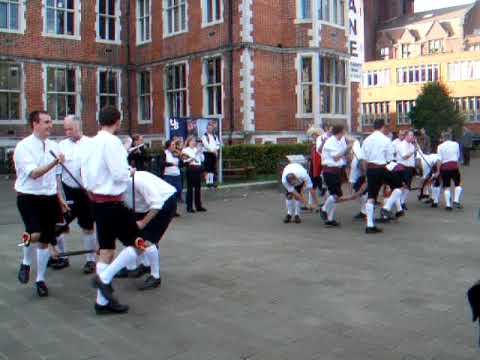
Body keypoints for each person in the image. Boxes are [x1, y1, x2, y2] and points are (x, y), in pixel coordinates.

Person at [81, 106, 143, 315]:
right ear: (117, 121)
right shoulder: (112, 142)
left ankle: (102, 303)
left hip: (96, 201)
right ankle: (104, 279)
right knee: (139, 244)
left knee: (106, 250)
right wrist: (130, 171)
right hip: (112, 202)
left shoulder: (89, 142)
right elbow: (118, 174)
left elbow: (86, 176)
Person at [14, 111, 66, 297]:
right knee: (34, 233)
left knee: (45, 240)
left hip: (49, 197)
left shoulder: (54, 145)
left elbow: (55, 176)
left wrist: (59, 198)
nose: (50, 125)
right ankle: (26, 263)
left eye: (51, 121)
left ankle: (40, 280)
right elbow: (34, 173)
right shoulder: (23, 147)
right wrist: (55, 162)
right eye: (46, 122)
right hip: (29, 196)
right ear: (35, 124)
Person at [123, 171, 177, 290]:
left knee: (148, 240)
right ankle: (145, 265)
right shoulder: (113, 185)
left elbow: (157, 204)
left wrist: (142, 223)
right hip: (143, 205)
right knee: (134, 236)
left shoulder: (139, 181)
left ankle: (155, 277)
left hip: (164, 202)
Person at [57, 115, 97, 274]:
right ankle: (62, 256)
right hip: (68, 191)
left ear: (79, 127)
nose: (67, 132)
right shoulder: (61, 145)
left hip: (85, 191)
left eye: (70, 129)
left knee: (88, 226)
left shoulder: (91, 144)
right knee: (60, 224)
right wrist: (59, 194)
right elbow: (57, 172)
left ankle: (91, 260)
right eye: (65, 129)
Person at [361, 119, 401, 234]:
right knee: (399, 186)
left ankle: (369, 225)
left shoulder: (367, 139)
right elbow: (389, 159)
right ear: (383, 127)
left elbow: (363, 158)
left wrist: (366, 173)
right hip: (382, 168)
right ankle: (387, 207)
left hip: (371, 169)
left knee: (371, 196)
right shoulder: (386, 139)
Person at [320, 125, 351, 227]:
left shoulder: (340, 140)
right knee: (336, 194)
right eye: (344, 132)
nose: (345, 134)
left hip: (337, 170)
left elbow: (342, 156)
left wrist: (346, 155)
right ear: (340, 132)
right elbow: (336, 157)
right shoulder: (330, 142)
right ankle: (324, 208)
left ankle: (330, 219)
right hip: (329, 170)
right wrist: (347, 148)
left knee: (333, 195)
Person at [436, 132, 463, 211]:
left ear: (443, 138)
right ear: (450, 137)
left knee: (446, 186)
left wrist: (438, 170)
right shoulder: (456, 144)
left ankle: (448, 205)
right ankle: (456, 200)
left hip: (445, 168)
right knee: (458, 184)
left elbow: (439, 160)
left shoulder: (440, 146)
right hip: (454, 166)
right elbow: (458, 156)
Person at [182, 136, 207, 213]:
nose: (194, 142)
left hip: (198, 168)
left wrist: (201, 152)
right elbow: (185, 160)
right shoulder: (185, 150)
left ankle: (198, 205)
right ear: (188, 142)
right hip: (191, 168)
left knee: (198, 188)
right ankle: (189, 207)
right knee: (190, 188)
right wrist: (195, 153)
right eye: (192, 141)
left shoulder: (196, 149)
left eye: (194, 141)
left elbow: (202, 159)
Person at [394, 130, 416, 212]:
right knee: (402, 186)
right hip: (402, 167)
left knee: (408, 187)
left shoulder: (412, 145)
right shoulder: (401, 145)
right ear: (406, 136)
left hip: (410, 168)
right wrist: (413, 151)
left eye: (413, 136)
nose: (412, 137)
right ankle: (398, 203)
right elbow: (404, 157)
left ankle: (402, 202)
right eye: (411, 135)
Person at [163, 139, 182, 216]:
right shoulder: (165, 153)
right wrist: (171, 164)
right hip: (168, 175)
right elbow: (162, 163)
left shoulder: (176, 153)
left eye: (175, 145)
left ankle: (174, 210)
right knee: (170, 194)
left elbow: (181, 163)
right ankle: (170, 211)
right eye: (173, 145)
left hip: (177, 175)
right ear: (168, 146)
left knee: (178, 191)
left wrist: (180, 156)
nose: (174, 146)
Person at [307, 127, 324, 208]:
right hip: (313, 168)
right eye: (312, 135)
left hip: (319, 169)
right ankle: (311, 204)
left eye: (313, 135)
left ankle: (326, 204)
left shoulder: (320, 144)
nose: (312, 137)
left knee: (322, 187)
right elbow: (313, 157)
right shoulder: (314, 145)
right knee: (311, 186)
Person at [201, 123, 221, 188]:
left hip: (213, 154)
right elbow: (206, 145)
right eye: (209, 128)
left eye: (211, 128)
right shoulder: (204, 136)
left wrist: (216, 149)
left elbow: (218, 144)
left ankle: (213, 183)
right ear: (206, 129)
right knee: (208, 169)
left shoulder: (215, 136)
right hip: (207, 154)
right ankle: (209, 184)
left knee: (213, 169)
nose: (210, 129)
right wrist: (213, 150)